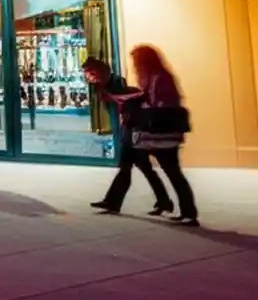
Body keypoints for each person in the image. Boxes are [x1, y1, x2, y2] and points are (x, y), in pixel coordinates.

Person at [94, 46, 199, 226]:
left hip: (159, 133)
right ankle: (159, 202)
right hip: (147, 133)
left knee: (172, 172)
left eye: (137, 60)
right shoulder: (151, 77)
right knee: (138, 166)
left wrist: (137, 101)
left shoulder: (161, 78)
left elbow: (163, 103)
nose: (134, 65)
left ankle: (187, 211)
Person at [85, 56, 174, 218]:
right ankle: (160, 200)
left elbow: (130, 98)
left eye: (91, 72)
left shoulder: (115, 83)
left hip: (134, 128)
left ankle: (114, 202)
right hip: (130, 126)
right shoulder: (104, 85)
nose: (89, 76)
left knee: (133, 168)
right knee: (137, 168)